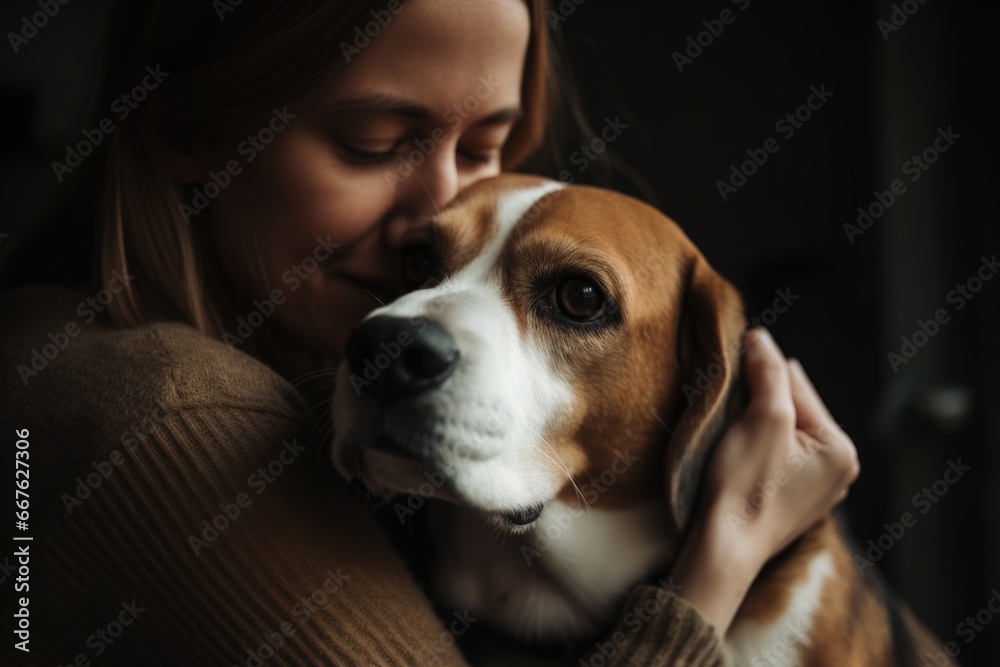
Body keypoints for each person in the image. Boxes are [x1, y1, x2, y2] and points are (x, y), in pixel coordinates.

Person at [0, 1, 859, 664]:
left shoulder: (65, 330)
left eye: (488, 146)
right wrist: (717, 568)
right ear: (190, 133)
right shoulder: (187, 418)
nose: (438, 208)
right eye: (376, 142)